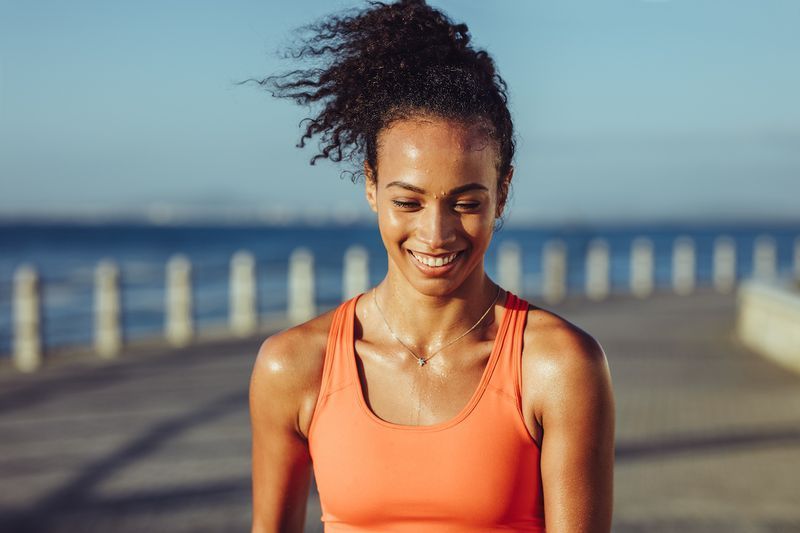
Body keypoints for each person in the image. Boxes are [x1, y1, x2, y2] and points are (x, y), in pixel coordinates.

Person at [249, 1, 615, 531]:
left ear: (503, 192)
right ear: (371, 184)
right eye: (408, 202)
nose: (436, 234)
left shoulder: (557, 367)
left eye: (466, 203)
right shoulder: (293, 366)